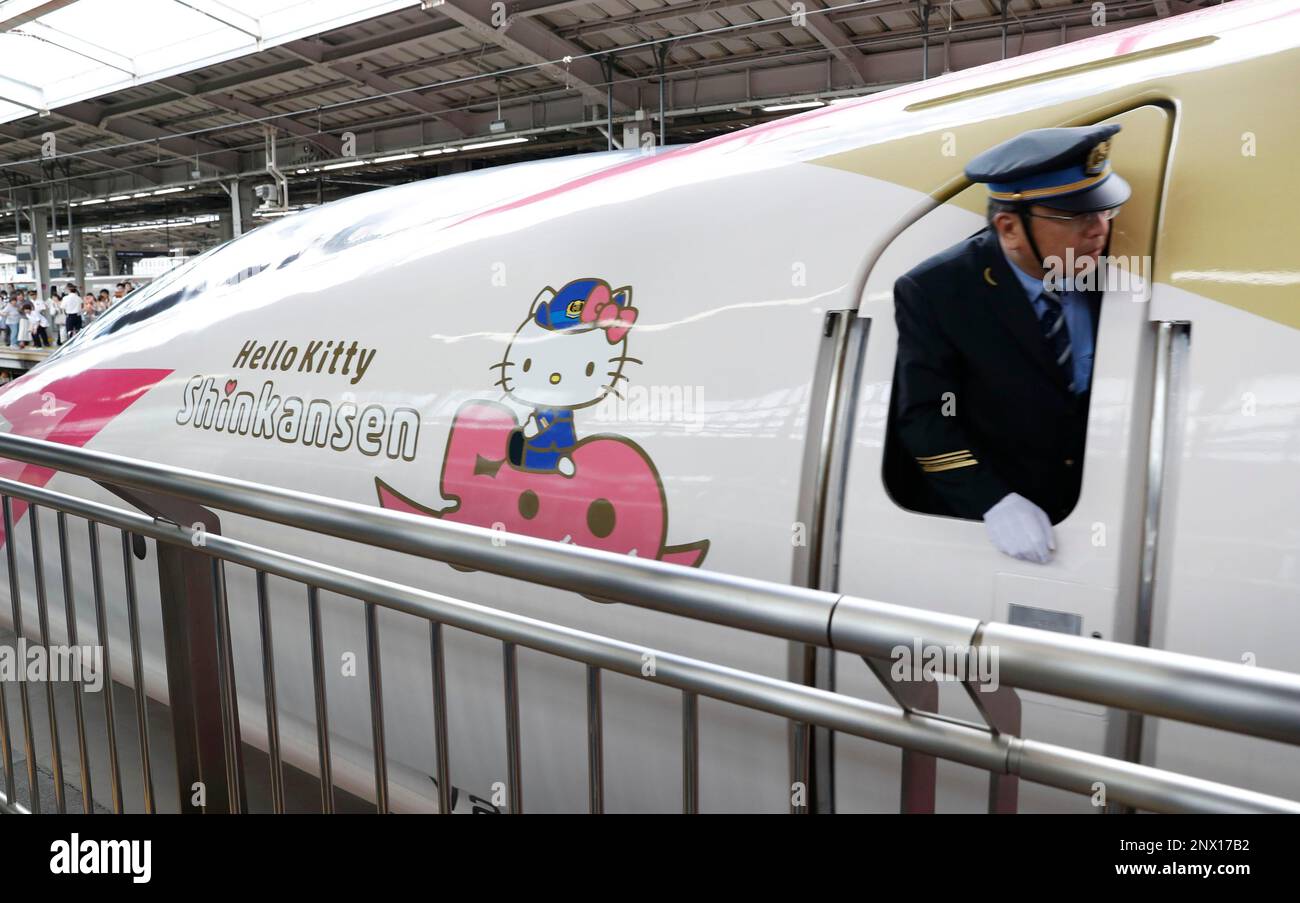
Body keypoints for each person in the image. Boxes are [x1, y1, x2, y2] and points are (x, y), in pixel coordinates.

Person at [890, 124, 1130, 564]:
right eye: (1077, 216)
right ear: (1010, 227)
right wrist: (992, 500)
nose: (1100, 230)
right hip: (1006, 529)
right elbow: (926, 416)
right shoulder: (939, 292)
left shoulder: (1109, 270)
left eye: (1105, 210)